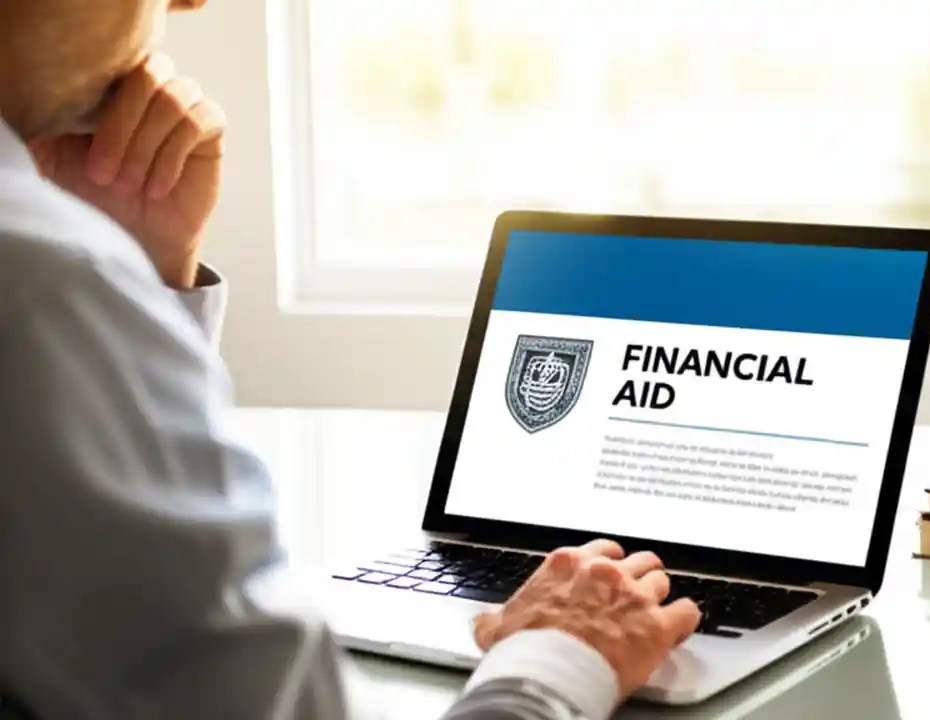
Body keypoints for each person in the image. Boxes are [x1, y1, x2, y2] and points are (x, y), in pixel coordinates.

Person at [0, 1, 701, 718]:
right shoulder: (39, 282)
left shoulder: (45, 276)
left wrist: (134, 274)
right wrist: (558, 657)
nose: (189, 1)